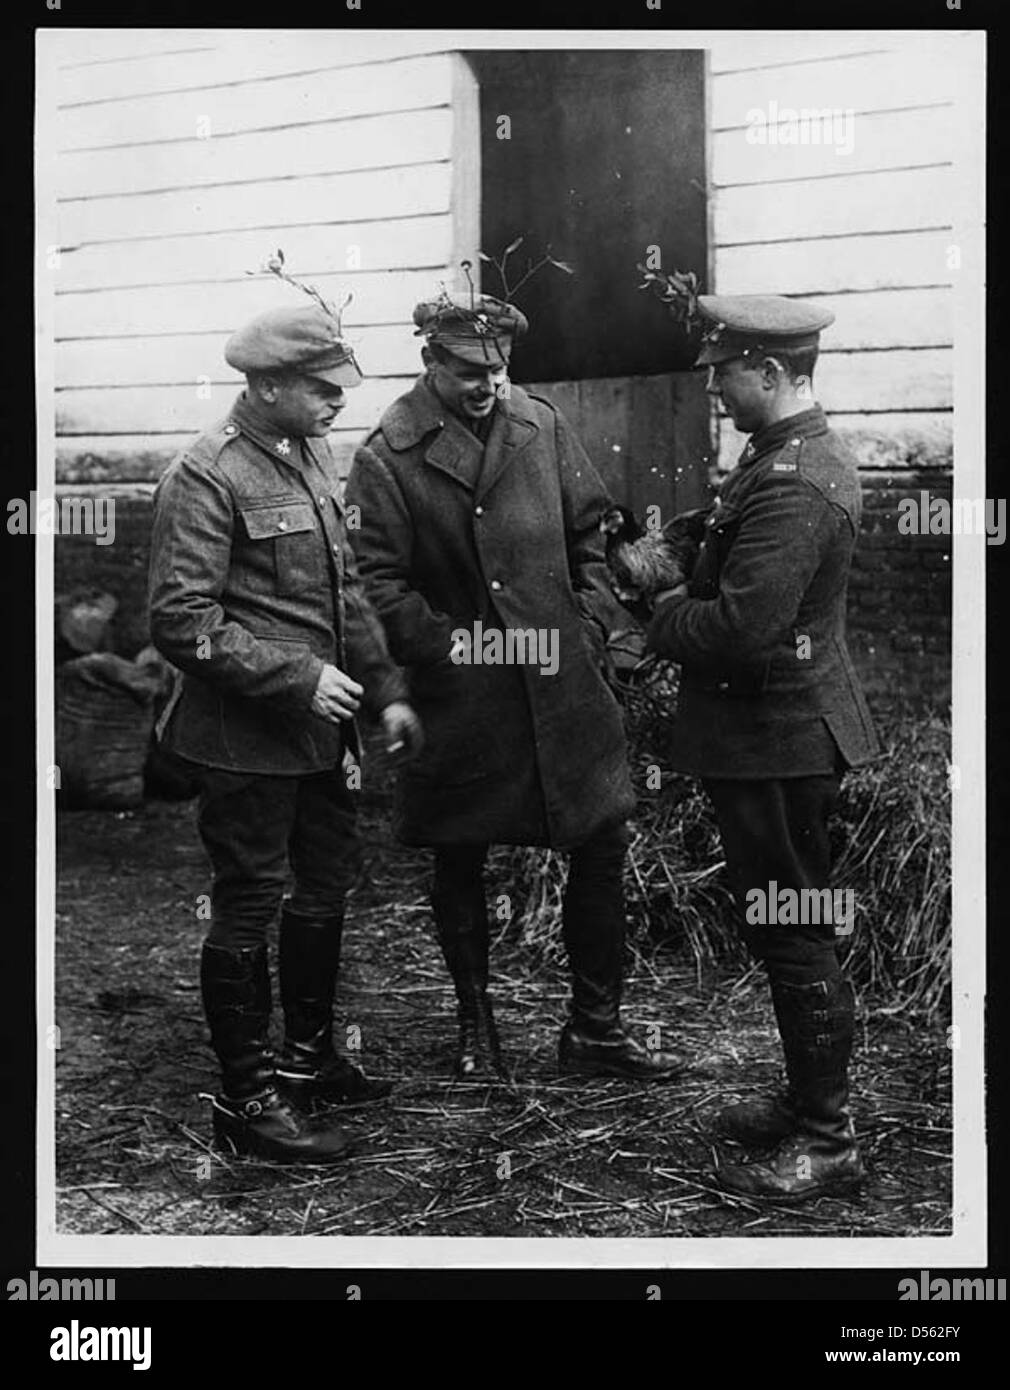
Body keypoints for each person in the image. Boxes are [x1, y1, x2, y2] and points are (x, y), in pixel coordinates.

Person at [343, 289, 684, 1082]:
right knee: (460, 858)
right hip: (464, 696)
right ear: (429, 360)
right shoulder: (387, 454)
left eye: (497, 368)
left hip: (564, 686)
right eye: (467, 370)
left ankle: (596, 1027)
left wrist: (595, 628)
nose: (486, 384)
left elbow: (591, 534)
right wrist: (449, 646)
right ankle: (477, 1029)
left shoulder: (542, 423)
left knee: (601, 843)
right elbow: (376, 582)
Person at [148, 302, 423, 1163]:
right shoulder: (206, 473)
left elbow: (342, 594)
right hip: (246, 739)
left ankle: (307, 1061)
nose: (338, 402)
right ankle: (248, 1099)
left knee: (326, 886)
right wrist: (298, 677)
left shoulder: (309, 453)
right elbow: (179, 620)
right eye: (320, 388)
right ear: (265, 387)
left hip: (321, 740)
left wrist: (385, 692)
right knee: (249, 902)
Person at [645, 293, 880, 1199]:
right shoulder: (781, 458)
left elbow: (743, 627)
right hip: (767, 737)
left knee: (795, 932)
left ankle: (827, 1140)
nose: (716, 390)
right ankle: (806, 1105)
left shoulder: (793, 479)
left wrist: (661, 616)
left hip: (777, 739)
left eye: (726, 374)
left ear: (773, 373)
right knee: (792, 926)